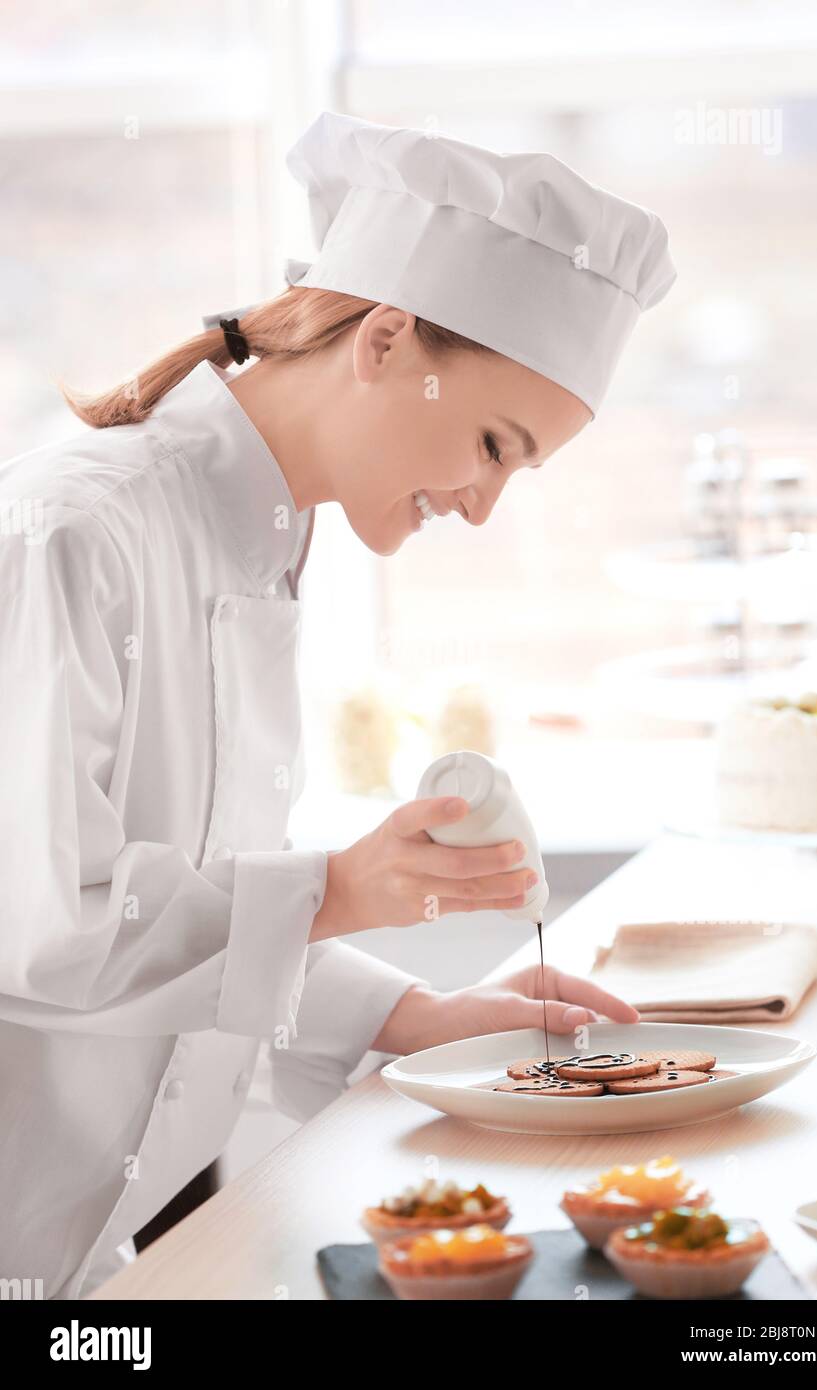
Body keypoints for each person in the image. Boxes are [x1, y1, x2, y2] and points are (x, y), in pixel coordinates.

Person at [0, 111, 676, 1298]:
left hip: (117, 1251)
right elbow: (51, 928)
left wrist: (410, 1011)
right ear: (384, 339)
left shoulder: (267, 538)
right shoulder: (76, 532)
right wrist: (344, 886)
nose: (480, 504)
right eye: (489, 442)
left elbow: (197, 900)